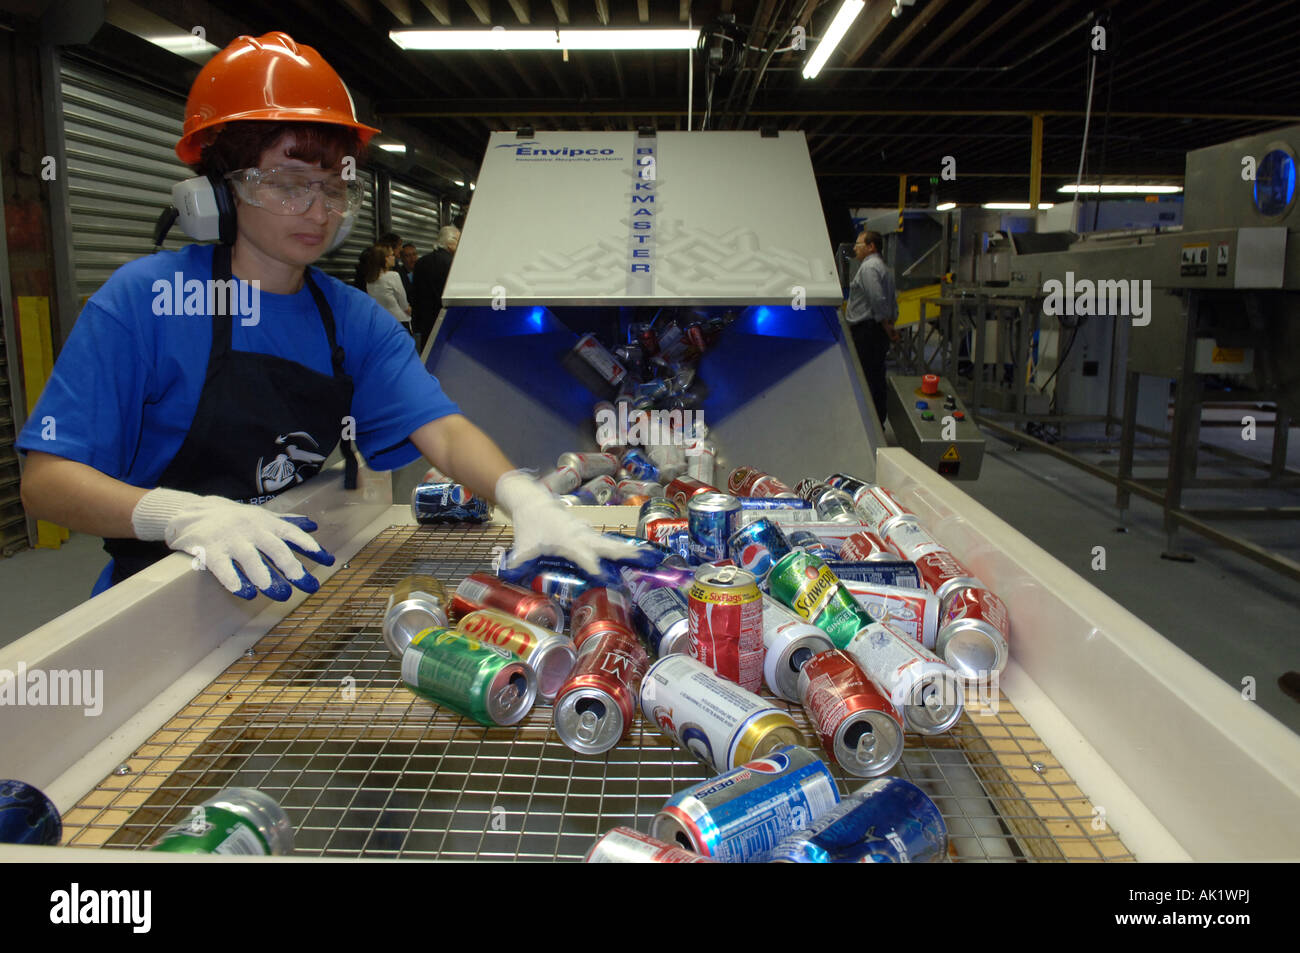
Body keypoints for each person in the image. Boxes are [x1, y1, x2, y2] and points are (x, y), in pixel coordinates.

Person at [16, 31, 649, 602]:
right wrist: (178, 516)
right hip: (152, 600)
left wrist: (521, 495)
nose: (318, 212)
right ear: (218, 190)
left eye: (333, 186)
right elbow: (46, 482)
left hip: (280, 590)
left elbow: (445, 433)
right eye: (290, 184)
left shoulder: (349, 319)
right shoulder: (144, 302)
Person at [846, 229, 900, 425]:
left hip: (867, 331)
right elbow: (891, 301)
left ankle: (870, 423)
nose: (854, 249)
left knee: (867, 378)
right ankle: (877, 421)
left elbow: (877, 299)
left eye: (858, 245)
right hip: (874, 331)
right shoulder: (883, 267)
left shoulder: (869, 268)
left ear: (871, 246)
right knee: (876, 375)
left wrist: (886, 325)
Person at [412, 225, 458, 352]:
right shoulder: (453, 264)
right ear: (450, 244)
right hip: (447, 321)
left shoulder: (420, 262)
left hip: (426, 322)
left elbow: (414, 295)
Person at [362, 243, 411, 331]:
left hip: (381, 323)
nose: (394, 257)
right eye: (391, 255)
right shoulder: (393, 276)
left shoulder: (369, 280)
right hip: (399, 322)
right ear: (384, 259)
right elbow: (404, 305)